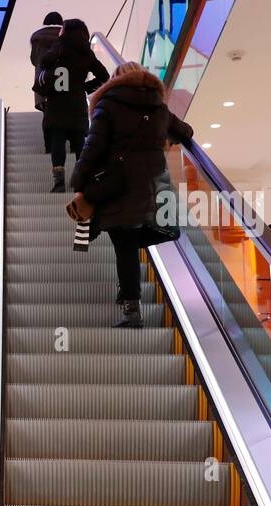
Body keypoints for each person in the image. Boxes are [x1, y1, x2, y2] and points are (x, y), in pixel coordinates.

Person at [68, 61, 194, 328]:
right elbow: (186, 131)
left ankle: (131, 310)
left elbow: (93, 148)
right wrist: (163, 141)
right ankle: (128, 298)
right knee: (131, 242)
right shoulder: (159, 108)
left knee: (124, 245)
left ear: (114, 80)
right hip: (153, 188)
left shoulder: (108, 105)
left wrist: (78, 181)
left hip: (120, 188)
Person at [34, 18, 110, 193]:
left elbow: (44, 64)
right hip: (76, 103)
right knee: (79, 143)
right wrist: (86, 87)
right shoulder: (86, 53)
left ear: (65, 32)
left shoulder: (57, 48)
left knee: (57, 141)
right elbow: (105, 76)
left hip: (56, 102)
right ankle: (80, 182)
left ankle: (59, 183)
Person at [29, 11, 62, 116]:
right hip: (64, 80)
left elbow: (34, 60)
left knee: (48, 117)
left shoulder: (36, 38)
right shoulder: (68, 37)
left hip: (43, 81)